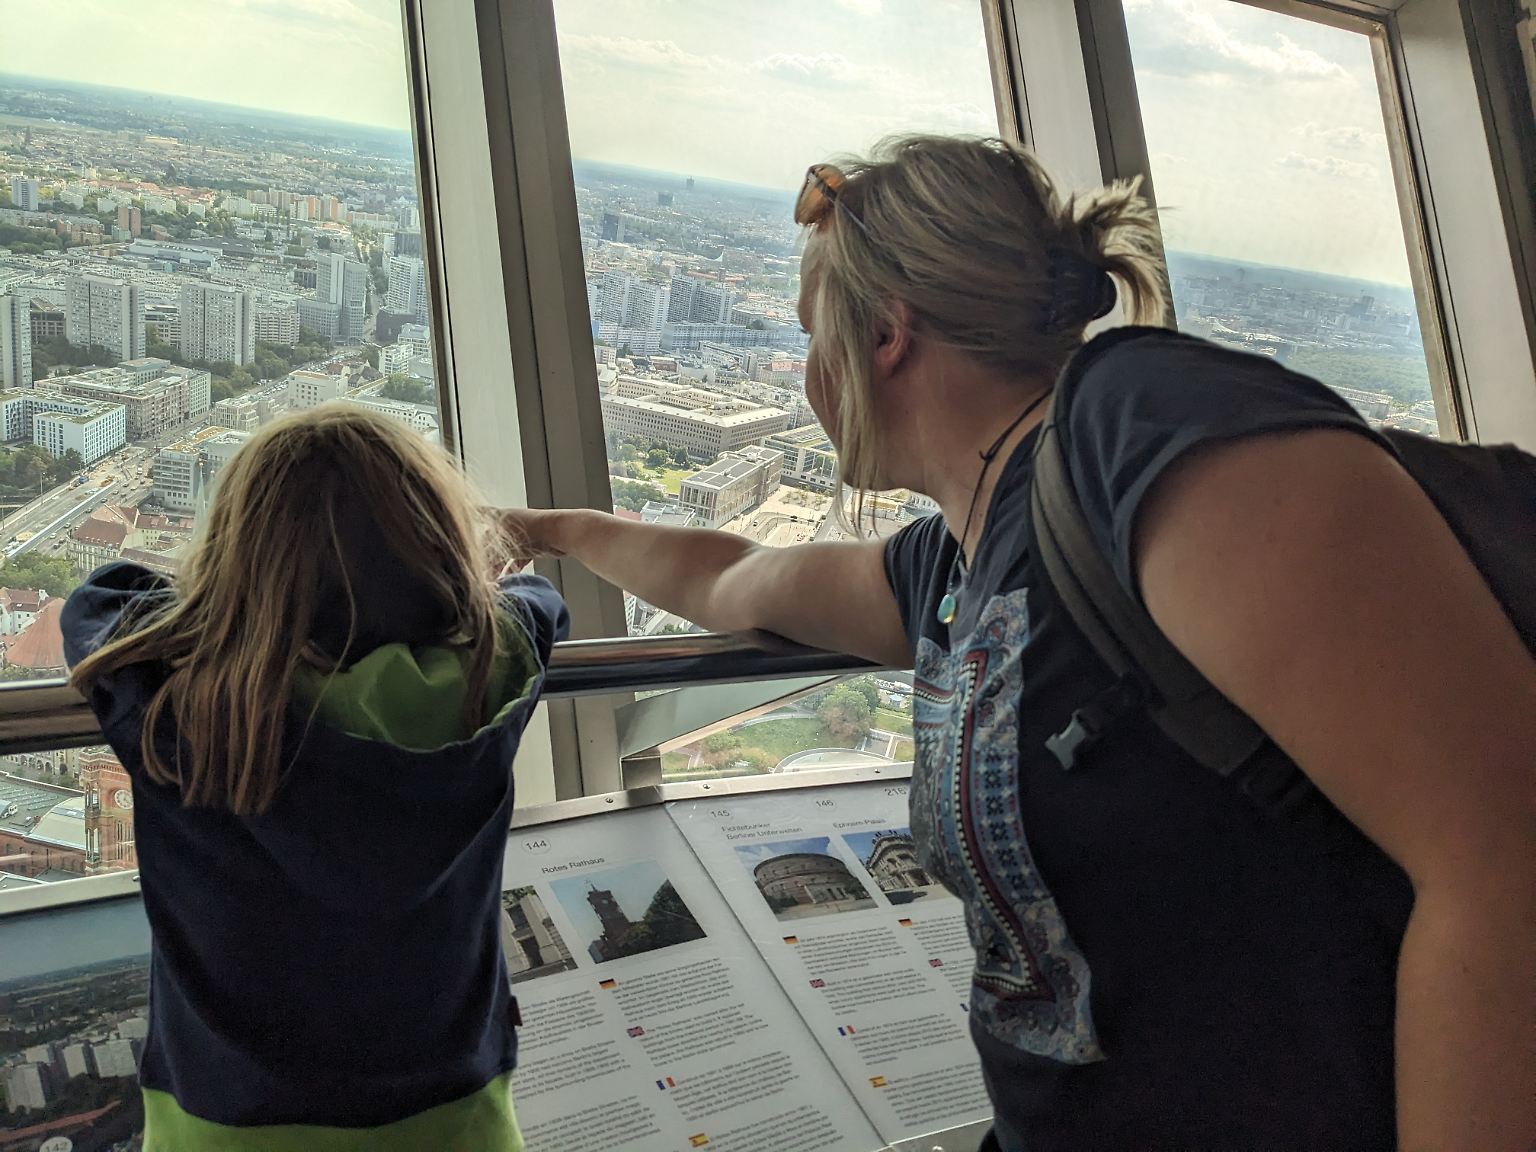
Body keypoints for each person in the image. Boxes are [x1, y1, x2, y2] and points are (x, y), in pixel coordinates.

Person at [504, 136, 1536, 1150]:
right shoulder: (953, 560)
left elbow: (1499, 859)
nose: (806, 372)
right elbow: (730, 579)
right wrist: (554, 531)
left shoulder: (1144, 432)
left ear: (884, 336)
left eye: (812, 333)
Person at [63, 404, 567, 1152]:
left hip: (223, 1123)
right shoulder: (488, 681)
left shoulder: (182, 698)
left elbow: (101, 600)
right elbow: (536, 602)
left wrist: (233, 602)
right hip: (457, 1118)